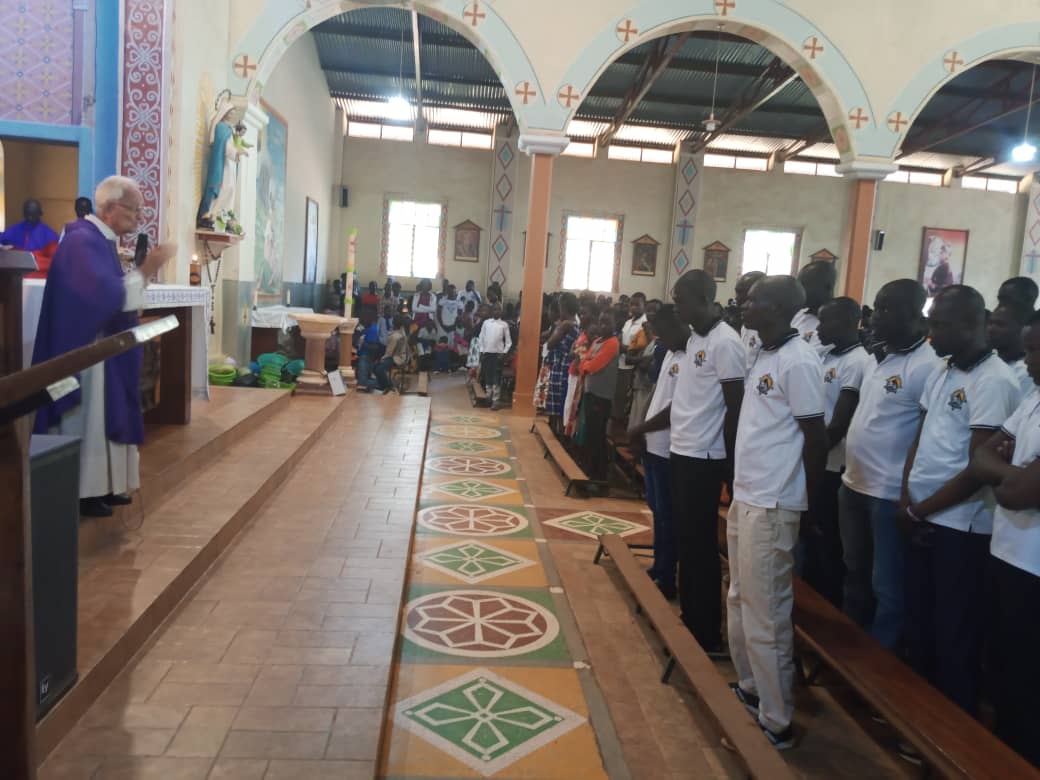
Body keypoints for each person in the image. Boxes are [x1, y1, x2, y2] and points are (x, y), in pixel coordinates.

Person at [901, 285, 1019, 714]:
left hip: (961, 525)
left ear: (974, 325)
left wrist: (920, 508)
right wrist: (906, 498)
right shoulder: (944, 370)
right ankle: (918, 718)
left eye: (940, 324)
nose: (931, 333)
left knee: (955, 632)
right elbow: (921, 436)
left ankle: (952, 728)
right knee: (921, 623)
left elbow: (977, 469)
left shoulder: (996, 381)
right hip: (924, 513)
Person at [32, 176, 175, 517]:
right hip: (86, 354)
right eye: (135, 210)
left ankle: (107, 486)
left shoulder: (101, 240)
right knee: (91, 419)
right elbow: (103, 296)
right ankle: (85, 492)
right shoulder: (82, 240)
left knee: (109, 415)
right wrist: (146, 269)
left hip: (105, 352)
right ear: (111, 209)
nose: (139, 218)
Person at [729, 275, 828, 750]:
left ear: (781, 307)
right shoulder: (762, 352)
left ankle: (778, 718)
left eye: (755, 299)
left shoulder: (799, 360)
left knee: (767, 610)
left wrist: (807, 504)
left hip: (774, 500)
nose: (746, 304)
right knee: (739, 598)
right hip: (748, 493)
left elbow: (815, 437)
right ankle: (751, 687)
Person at [642, 270, 745, 650]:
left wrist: (731, 465)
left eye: (681, 299)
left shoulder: (725, 343)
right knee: (687, 540)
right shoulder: (696, 340)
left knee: (700, 546)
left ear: (704, 297)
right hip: (682, 451)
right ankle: (691, 616)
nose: (677, 305)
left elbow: (735, 406)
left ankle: (706, 631)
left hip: (705, 456)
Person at [840, 279, 941, 650]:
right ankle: (851, 647)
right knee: (854, 572)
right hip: (853, 483)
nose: (876, 317)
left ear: (916, 317)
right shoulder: (877, 359)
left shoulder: (927, 367)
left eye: (888, 309)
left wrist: (906, 497)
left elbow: (925, 436)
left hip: (887, 494)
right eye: (877, 307)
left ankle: (881, 665)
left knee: (888, 586)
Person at [970, 310, 1040, 765]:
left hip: (1034, 569)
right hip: (1007, 554)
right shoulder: (1034, 397)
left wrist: (1007, 474)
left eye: (1035, 351)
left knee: (1029, 685)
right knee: (1004, 673)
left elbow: (1017, 494)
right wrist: (1011, 474)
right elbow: (980, 454)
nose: (1027, 360)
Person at [806, 296, 871, 607]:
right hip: (814, 460)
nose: (819, 328)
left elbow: (839, 422)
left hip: (832, 464)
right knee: (811, 538)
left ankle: (829, 609)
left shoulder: (858, 362)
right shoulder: (827, 356)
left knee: (829, 541)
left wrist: (810, 454)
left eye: (826, 321)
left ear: (847, 323)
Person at [626, 305, 689, 599]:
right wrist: (641, 430)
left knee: (668, 515)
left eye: (661, 329)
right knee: (656, 510)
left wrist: (640, 430)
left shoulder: (690, 357)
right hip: (653, 444)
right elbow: (657, 396)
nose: (658, 336)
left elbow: (676, 408)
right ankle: (659, 565)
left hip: (669, 447)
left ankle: (668, 575)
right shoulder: (670, 353)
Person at [578, 312, 620, 482]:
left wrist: (586, 365)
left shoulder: (612, 343)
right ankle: (589, 469)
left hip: (601, 396)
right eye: (601, 322)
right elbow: (584, 363)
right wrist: (586, 365)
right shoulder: (597, 342)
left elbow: (594, 365)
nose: (603, 326)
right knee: (590, 433)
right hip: (590, 392)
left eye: (607, 323)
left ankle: (599, 475)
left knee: (597, 435)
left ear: (614, 324)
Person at [544, 293, 579, 434]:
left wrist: (557, 329)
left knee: (559, 405)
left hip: (563, 368)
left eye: (560, 307)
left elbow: (551, 344)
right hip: (559, 366)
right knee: (557, 405)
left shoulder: (566, 324)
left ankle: (558, 436)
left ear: (564, 308)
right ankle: (555, 434)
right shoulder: (571, 323)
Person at [1, 198, 60, 279]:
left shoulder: (50, 235)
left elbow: (55, 263)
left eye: (33, 215)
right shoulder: (14, 230)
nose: (30, 218)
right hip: (15, 278)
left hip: (37, 280)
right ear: (24, 214)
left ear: (40, 213)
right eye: (28, 215)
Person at [988, 302, 1033, 399]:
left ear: (1021, 328)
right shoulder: (989, 361)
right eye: (990, 323)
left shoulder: (1026, 371)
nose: (991, 329)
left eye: (1000, 324)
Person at [792, 259, 836, 356]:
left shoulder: (834, 325)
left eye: (805, 285)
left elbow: (804, 359)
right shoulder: (798, 314)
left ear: (827, 288)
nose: (800, 291)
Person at [614, 292, 647, 421]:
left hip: (632, 366)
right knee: (618, 395)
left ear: (644, 305)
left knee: (626, 397)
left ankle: (622, 424)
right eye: (631, 304)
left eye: (637, 305)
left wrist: (623, 348)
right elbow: (621, 338)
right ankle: (616, 420)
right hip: (621, 362)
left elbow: (641, 347)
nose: (633, 307)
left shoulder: (644, 324)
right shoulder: (628, 322)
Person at [479, 303, 512, 410]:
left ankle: (495, 400)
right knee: (488, 376)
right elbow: (481, 337)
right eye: (494, 310)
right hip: (487, 354)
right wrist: (481, 351)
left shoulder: (504, 325)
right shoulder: (486, 323)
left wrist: (504, 353)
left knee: (496, 377)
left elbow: (508, 342)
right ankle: (488, 397)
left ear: (501, 312)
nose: (496, 311)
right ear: (491, 311)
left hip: (498, 355)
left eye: (498, 310)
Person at [735, 270, 765, 369]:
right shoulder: (746, 325)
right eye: (736, 292)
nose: (737, 299)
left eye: (741, 293)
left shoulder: (768, 329)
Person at [373, 314, 410, 394]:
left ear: (394, 323)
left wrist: (382, 359)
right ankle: (386, 385)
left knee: (379, 368)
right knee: (376, 366)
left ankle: (387, 386)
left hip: (396, 358)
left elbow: (389, 352)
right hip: (399, 356)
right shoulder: (401, 332)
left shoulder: (395, 336)